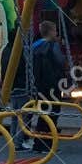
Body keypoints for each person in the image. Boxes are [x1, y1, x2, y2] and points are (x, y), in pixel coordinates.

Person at [21, 20, 72, 152]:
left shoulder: (34, 46)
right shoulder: (52, 46)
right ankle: (48, 144)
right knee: (53, 115)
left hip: (39, 84)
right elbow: (61, 61)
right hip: (53, 84)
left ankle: (39, 143)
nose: (57, 33)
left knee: (43, 114)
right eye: (55, 30)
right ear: (50, 32)